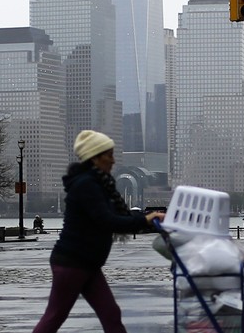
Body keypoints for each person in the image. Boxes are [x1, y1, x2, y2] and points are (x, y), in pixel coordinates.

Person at [32, 130, 165, 333]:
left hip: (87, 263)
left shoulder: (98, 184)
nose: (113, 161)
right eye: (109, 155)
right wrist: (145, 219)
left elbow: (117, 217)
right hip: (72, 264)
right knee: (54, 317)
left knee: (111, 314)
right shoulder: (87, 185)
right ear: (95, 157)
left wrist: (148, 218)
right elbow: (107, 221)